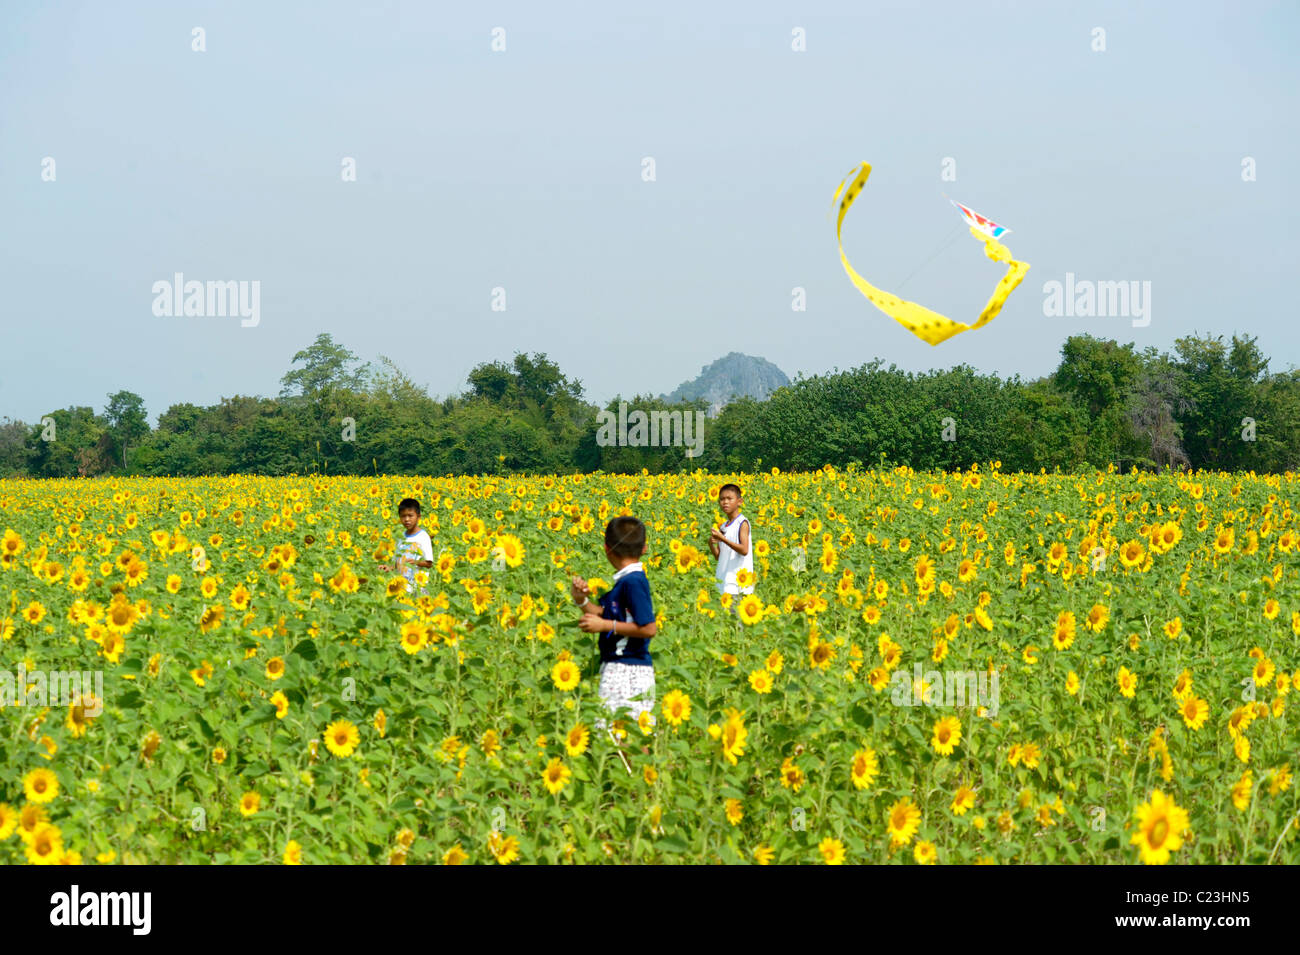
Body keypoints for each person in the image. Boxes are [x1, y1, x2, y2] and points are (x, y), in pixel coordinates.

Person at [571, 516, 657, 737]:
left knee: (625, 735)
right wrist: (582, 601)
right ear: (645, 548)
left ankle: (635, 771)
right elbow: (605, 615)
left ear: (607, 549)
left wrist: (604, 625)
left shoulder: (634, 582)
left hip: (628, 670)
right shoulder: (626, 581)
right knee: (621, 734)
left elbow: (648, 628)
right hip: (620, 667)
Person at [378, 498, 433, 594]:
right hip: (401, 587)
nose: (407, 519)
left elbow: (429, 563)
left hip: (418, 588)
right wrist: (389, 567)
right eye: (403, 516)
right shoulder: (401, 536)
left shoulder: (423, 537)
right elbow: (399, 561)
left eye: (410, 516)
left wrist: (416, 562)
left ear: (418, 517)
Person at [709, 483, 753, 600]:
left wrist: (722, 538)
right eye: (722, 499)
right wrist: (711, 543)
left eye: (729, 498)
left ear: (739, 502)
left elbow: (744, 550)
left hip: (737, 586)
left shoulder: (742, 523)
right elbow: (719, 556)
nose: (725, 502)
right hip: (723, 584)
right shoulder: (723, 526)